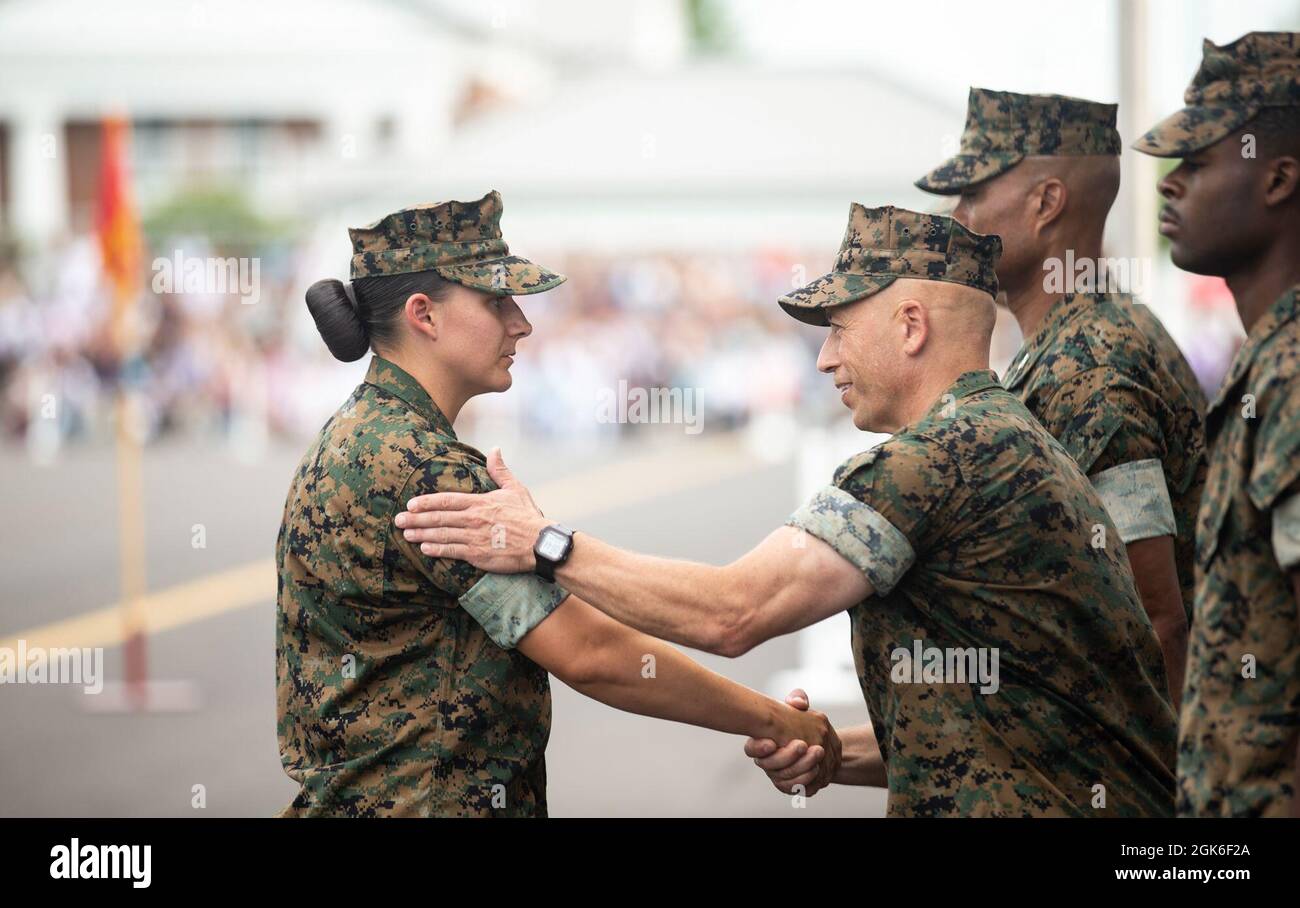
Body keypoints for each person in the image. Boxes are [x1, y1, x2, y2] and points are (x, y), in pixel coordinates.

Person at [397, 204, 1179, 816]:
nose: (825, 358)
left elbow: (734, 612)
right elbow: (998, 713)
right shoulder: (1010, 437)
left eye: (839, 330)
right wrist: (828, 748)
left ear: (911, 327)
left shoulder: (936, 460)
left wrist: (545, 543)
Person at [276, 190, 836, 817]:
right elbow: (595, 656)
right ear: (423, 315)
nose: (521, 322)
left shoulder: (356, 433)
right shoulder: (423, 468)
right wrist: (776, 721)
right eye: (496, 301)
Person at [915, 88, 1205, 705]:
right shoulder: (1082, 336)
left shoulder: (1090, 363)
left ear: (1045, 203)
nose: (957, 221)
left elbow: (1157, 624)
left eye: (972, 194)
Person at [1135, 31, 1300, 817]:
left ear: (1279, 178)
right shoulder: (1265, 361)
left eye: (1197, 163)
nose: (1171, 185)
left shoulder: (1294, 373)